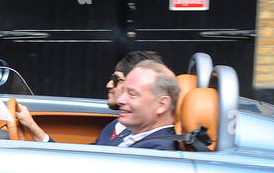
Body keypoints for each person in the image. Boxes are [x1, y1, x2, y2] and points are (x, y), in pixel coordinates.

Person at [14, 52, 172, 145]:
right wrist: (32, 127)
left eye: (117, 80)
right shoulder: (120, 125)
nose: (109, 85)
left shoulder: (150, 145)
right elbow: (86, 159)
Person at [107, 60, 180, 150]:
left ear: (162, 105)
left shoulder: (156, 154)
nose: (119, 100)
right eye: (123, 91)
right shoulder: (135, 132)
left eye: (132, 94)